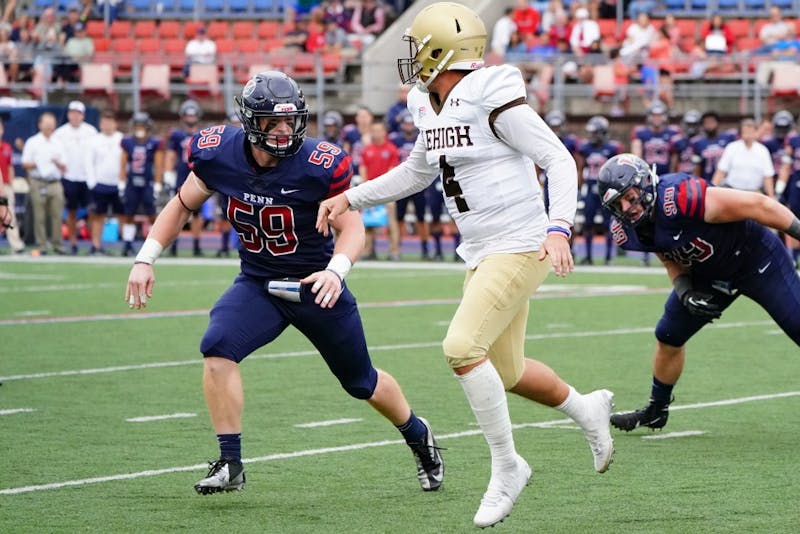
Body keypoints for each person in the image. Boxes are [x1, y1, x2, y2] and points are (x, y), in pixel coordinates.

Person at [316, 3, 613, 528]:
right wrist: (353, 198)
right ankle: (585, 408)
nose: (411, 57)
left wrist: (559, 227)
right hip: (480, 248)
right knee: (506, 371)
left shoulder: (490, 94)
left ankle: (507, 465)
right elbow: (418, 170)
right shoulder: (425, 101)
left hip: (521, 243)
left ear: (441, 50)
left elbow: (560, 159)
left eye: (418, 46)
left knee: (460, 347)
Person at [124, 70, 444, 497]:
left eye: (289, 121)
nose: (283, 131)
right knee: (217, 346)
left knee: (360, 382)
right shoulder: (218, 154)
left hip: (316, 285)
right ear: (249, 121)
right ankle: (230, 462)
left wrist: (336, 270)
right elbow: (181, 205)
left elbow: (353, 228)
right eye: (272, 122)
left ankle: (417, 434)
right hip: (258, 282)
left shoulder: (317, 165)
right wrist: (146, 258)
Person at [598, 153, 800, 432]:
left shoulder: (680, 198)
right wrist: (684, 291)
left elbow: (759, 204)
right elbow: (669, 256)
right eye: (617, 204)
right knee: (669, 334)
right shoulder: (628, 231)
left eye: (629, 196)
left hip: (756, 259)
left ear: (645, 184)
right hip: (708, 274)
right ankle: (657, 410)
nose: (626, 207)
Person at [576, 115, 622, 265]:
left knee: (609, 224)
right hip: (590, 189)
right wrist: (578, 189)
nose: (592, 136)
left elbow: (618, 171)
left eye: (595, 132)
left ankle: (608, 257)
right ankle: (588, 257)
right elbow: (581, 169)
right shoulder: (585, 148)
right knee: (587, 224)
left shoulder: (612, 148)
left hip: (607, 191)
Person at [54, 100, 97, 254]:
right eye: (72, 113)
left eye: (78, 113)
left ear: (83, 115)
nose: (75, 116)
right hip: (69, 177)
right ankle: (73, 243)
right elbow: (55, 153)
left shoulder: (91, 132)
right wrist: (60, 165)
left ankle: (94, 244)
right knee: (71, 211)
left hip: (87, 178)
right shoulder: (61, 133)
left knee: (92, 211)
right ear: (68, 114)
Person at [21, 111, 67, 255]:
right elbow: (24, 163)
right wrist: (39, 163)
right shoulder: (33, 141)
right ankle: (41, 244)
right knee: (39, 215)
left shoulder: (59, 142)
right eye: (46, 124)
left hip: (55, 182)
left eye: (51, 124)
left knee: (57, 215)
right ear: (40, 125)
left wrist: (56, 162)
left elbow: (65, 166)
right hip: (38, 181)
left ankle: (58, 245)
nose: (48, 127)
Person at [119, 112, 164, 257]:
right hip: (132, 182)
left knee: (152, 214)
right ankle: (127, 245)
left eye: (142, 126)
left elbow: (158, 165)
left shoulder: (154, 143)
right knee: (128, 214)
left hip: (147, 183)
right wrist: (122, 182)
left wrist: (157, 184)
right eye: (137, 125)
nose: (139, 128)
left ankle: (152, 246)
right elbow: (123, 163)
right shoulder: (128, 142)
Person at [166, 100, 206, 256]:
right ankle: (174, 245)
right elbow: (170, 156)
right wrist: (168, 175)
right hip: (181, 176)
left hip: (198, 177)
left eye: (192, 115)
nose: (190, 118)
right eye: (188, 115)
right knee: (178, 212)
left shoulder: (203, 133)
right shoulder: (176, 135)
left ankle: (196, 246)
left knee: (197, 214)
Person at [359, 120, 400, 260]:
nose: (376, 133)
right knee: (367, 223)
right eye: (374, 131)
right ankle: (367, 251)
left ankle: (394, 252)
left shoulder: (391, 149)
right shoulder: (367, 150)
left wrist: (384, 188)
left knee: (391, 222)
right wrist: (366, 186)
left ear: (384, 132)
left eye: (379, 130)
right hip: (370, 191)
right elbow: (363, 168)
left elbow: (393, 171)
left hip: (387, 192)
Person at [84, 109, 123, 256]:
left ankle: (126, 244)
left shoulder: (121, 139)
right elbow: (88, 162)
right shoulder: (94, 140)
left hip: (118, 184)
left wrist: (123, 182)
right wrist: (92, 182)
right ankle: (96, 245)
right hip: (100, 183)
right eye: (104, 122)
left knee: (123, 215)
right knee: (97, 215)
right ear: (100, 124)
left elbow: (126, 162)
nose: (107, 125)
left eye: (110, 122)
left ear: (115, 124)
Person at [711, 118, 775, 197]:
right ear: (741, 133)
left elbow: (767, 176)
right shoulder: (732, 147)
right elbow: (721, 172)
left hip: (755, 193)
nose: (748, 134)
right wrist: (712, 191)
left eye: (750, 131)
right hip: (733, 192)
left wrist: (771, 196)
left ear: (755, 132)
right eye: (745, 131)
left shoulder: (763, 150)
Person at [0, 117, 24, 254]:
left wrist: (11, 184)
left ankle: (16, 245)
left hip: (4, 186)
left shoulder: (7, 148)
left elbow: (9, 167)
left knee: (10, 215)